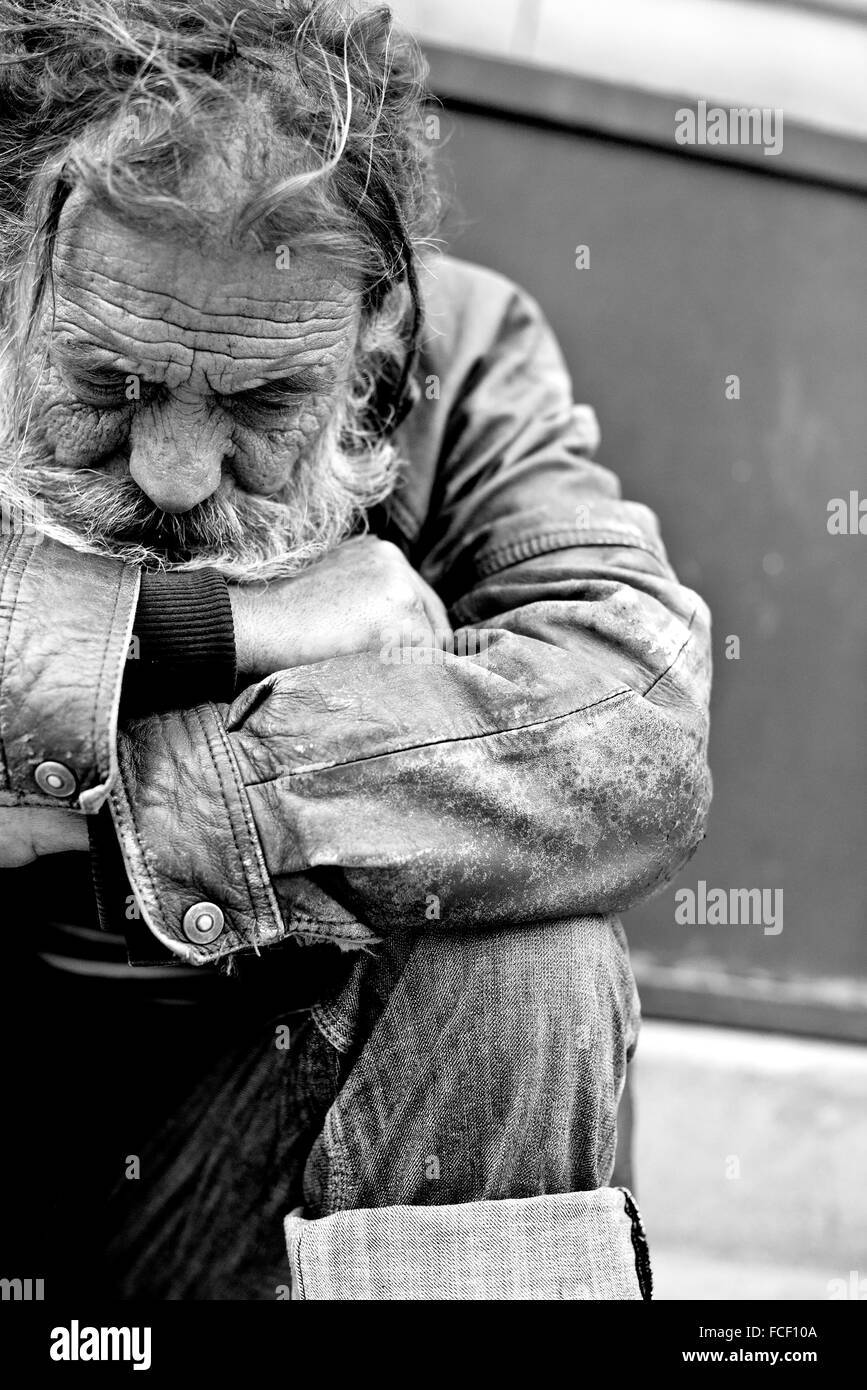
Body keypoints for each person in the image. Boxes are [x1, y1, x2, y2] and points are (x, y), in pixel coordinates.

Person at [0, 0, 711, 1300]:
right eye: (104, 384)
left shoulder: (474, 351)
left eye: (268, 401)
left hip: (256, 1157)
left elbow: (633, 710)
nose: (172, 473)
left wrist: (120, 817)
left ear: (377, 351)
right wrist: (215, 624)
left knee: (526, 955)